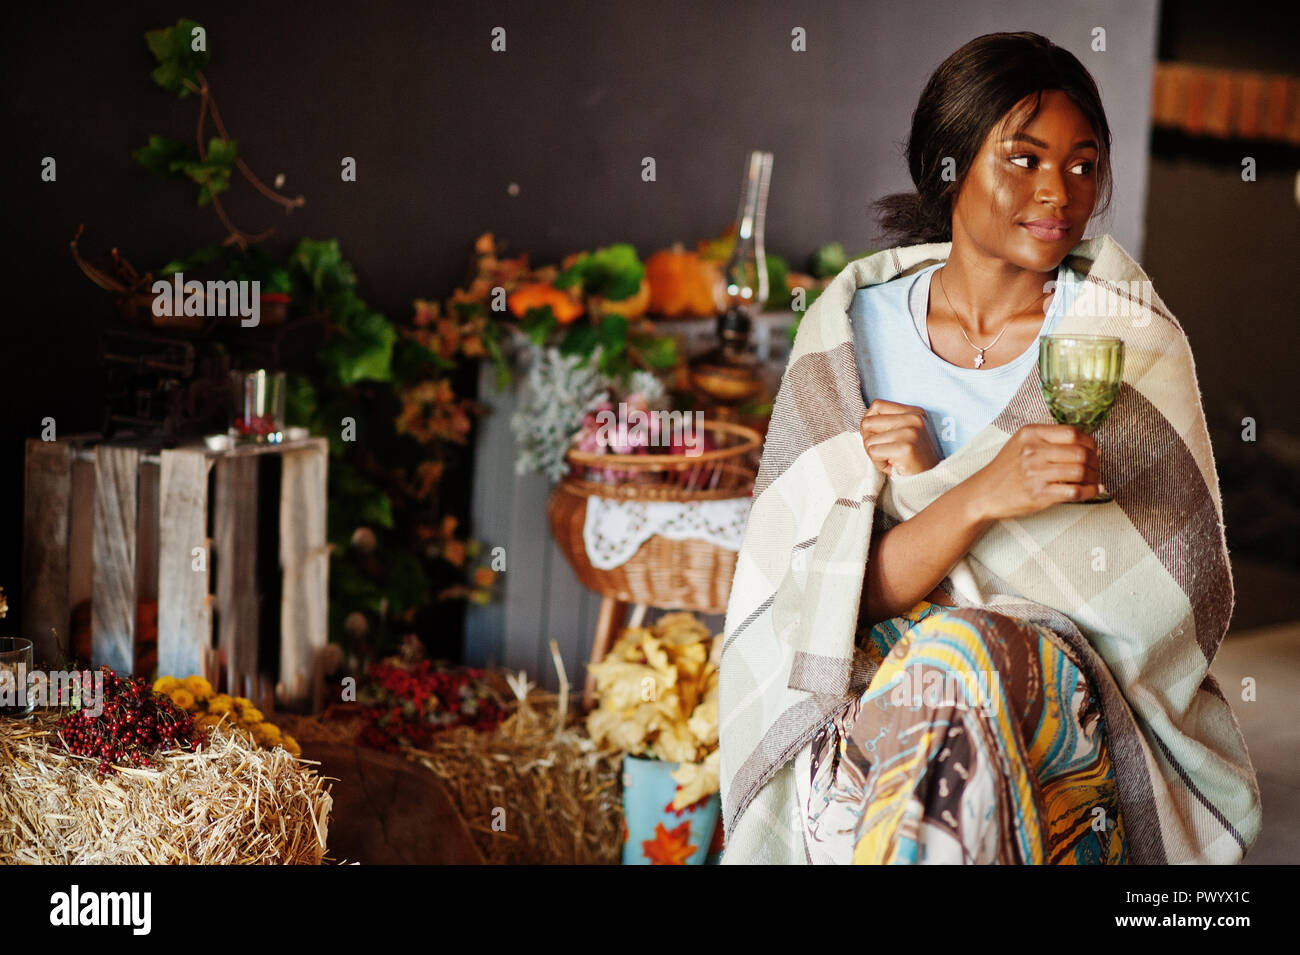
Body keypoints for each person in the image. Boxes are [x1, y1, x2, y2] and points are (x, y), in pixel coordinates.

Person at [719, 31, 1260, 866]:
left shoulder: (1122, 341)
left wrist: (978, 528)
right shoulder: (850, 336)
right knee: (952, 664)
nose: (1060, 191)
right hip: (874, 697)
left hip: (1066, 706)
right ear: (949, 164)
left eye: (1083, 165)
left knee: (963, 657)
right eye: (1025, 158)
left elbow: (1178, 598)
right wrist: (976, 491)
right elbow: (827, 609)